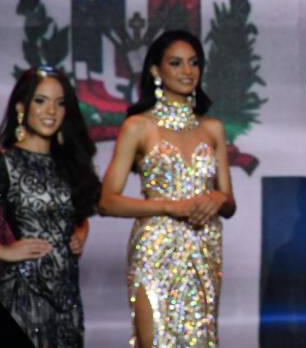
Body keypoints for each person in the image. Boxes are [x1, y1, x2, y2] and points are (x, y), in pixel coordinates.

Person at [99, 30, 236, 346]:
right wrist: (171, 206)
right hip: (156, 245)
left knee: (201, 339)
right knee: (155, 340)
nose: (187, 71)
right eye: (176, 63)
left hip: (204, 244)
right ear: (155, 70)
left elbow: (229, 203)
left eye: (194, 63)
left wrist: (218, 197)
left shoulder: (212, 128)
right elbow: (107, 201)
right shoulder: (138, 126)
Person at [0, 66, 101, 347]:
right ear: (21, 107)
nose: (51, 111)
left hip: (67, 298)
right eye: (40, 101)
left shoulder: (70, 163)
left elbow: (77, 213)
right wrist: (5, 251)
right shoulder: (6, 162)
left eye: (60, 103)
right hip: (21, 296)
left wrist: (81, 232)